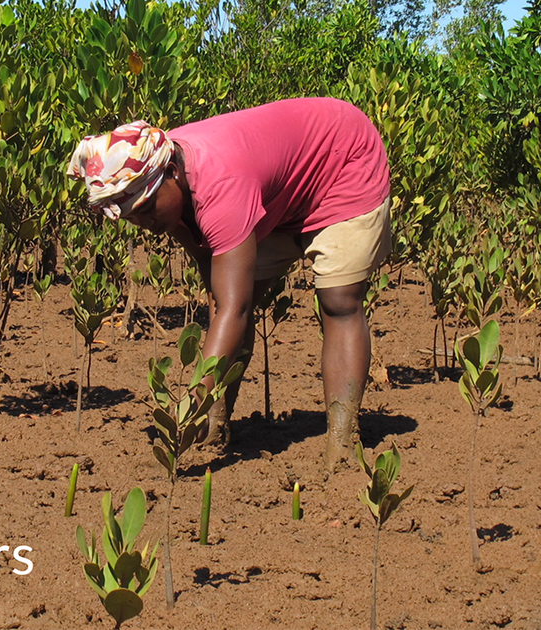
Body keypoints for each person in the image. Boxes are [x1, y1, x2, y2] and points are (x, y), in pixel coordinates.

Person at [68, 98, 391, 472]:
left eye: (146, 207)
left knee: (339, 301)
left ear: (172, 173)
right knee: (235, 297)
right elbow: (222, 299)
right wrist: (209, 408)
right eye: (130, 215)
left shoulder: (219, 185)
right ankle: (215, 427)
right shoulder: (172, 191)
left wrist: (190, 407)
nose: (142, 221)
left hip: (344, 158)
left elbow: (232, 311)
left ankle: (343, 443)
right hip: (280, 191)